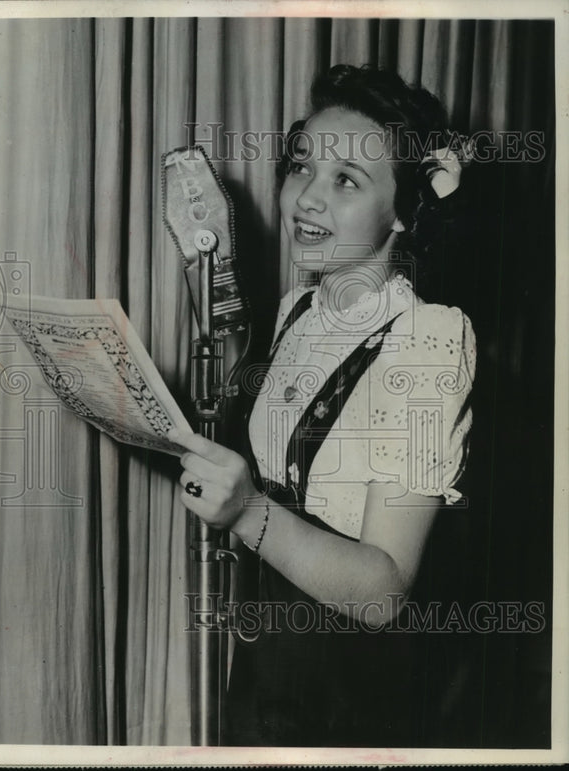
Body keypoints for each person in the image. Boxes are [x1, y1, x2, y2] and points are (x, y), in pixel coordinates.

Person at [168, 64, 476, 746]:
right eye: (302, 166)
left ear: (405, 210)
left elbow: (384, 592)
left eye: (347, 180)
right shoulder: (298, 311)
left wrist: (244, 510)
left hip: (353, 713)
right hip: (261, 688)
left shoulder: (427, 342)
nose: (307, 197)